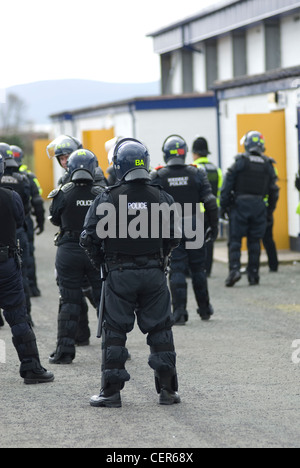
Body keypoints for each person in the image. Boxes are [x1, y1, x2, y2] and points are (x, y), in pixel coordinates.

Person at [80, 137, 181, 408]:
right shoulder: (163, 197)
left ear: (118, 166)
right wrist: (159, 256)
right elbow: (174, 237)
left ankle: (111, 394)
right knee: (161, 330)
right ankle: (168, 391)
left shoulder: (107, 197)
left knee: (114, 332)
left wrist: (103, 261)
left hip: (119, 272)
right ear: (146, 164)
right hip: (154, 273)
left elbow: (88, 238)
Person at [151, 134, 219, 325]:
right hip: (195, 223)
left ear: (165, 154)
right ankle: (205, 310)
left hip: (171, 226)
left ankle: (179, 313)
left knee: (177, 268)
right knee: (199, 268)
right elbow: (210, 201)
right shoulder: (196, 173)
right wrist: (213, 228)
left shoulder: (158, 175)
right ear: (185, 153)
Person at [47, 134, 106, 346]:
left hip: (87, 247)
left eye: (67, 157)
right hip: (76, 245)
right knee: (74, 296)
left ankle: (110, 343)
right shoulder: (64, 181)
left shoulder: (97, 180)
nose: (64, 161)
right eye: (61, 158)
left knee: (97, 296)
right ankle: (81, 336)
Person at [0, 153, 54, 384]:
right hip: (6, 264)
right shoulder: (11, 197)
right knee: (18, 317)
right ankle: (32, 368)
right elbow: (21, 221)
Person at [220, 130, 279, 287]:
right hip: (259, 207)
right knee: (254, 242)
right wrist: (269, 211)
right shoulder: (268, 164)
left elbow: (226, 186)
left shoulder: (240, 161)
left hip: (239, 206)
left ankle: (234, 270)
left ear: (247, 144)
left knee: (235, 241)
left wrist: (223, 207)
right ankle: (253, 275)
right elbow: (274, 191)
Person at [0, 142, 33, 326]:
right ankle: (27, 315)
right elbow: (26, 211)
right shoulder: (21, 180)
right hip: (12, 242)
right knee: (23, 276)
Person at [11, 144, 45, 296]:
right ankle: (32, 288)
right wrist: (41, 221)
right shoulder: (28, 176)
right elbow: (37, 200)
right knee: (28, 253)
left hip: (13, 222)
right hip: (25, 220)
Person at [192, 136, 223, 276]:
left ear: (195, 153)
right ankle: (208, 270)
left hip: (198, 210)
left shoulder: (195, 169)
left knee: (197, 242)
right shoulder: (216, 170)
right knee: (209, 239)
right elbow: (220, 190)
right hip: (212, 209)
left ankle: (198, 269)